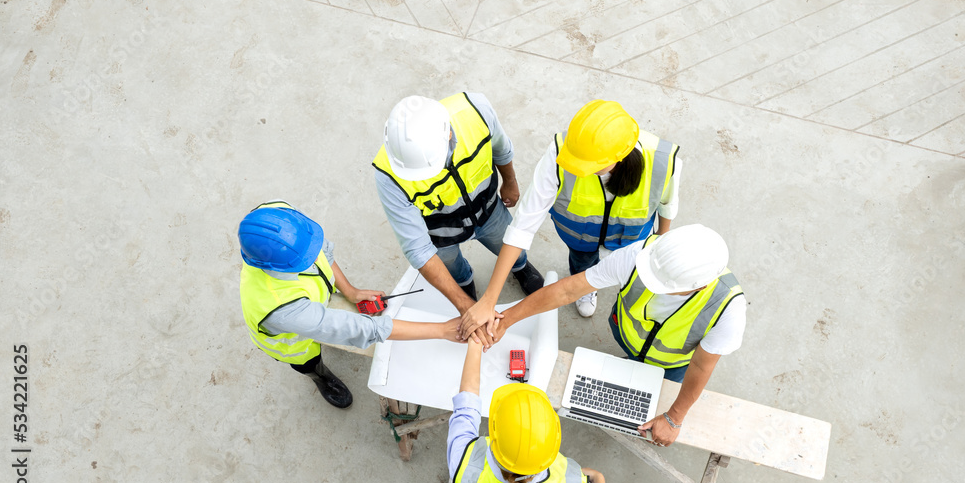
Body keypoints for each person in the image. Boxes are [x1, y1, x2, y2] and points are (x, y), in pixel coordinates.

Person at [482, 225, 745, 448]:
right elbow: (567, 291)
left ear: (698, 286)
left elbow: (701, 364)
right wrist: (508, 319)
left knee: (652, 401)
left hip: (672, 363)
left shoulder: (727, 309)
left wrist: (674, 417)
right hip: (627, 336)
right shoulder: (640, 255)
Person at [460, 99, 682, 341]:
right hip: (580, 238)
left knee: (630, 276)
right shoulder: (561, 153)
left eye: (592, 165)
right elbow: (522, 227)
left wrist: (660, 239)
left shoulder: (663, 161)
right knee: (583, 265)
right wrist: (489, 299)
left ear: (620, 155)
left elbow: (667, 203)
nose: (581, 169)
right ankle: (588, 289)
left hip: (631, 239)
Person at [239, 200, 461, 409]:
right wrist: (443, 329)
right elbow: (361, 329)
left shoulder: (279, 216)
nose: (313, 255)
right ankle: (320, 375)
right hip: (293, 343)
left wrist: (349, 291)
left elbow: (323, 251)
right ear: (277, 267)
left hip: (311, 301)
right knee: (307, 361)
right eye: (304, 259)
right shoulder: (281, 308)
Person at [372, 93, 545, 328]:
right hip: (439, 232)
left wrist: (510, 182)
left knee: (507, 242)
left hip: (489, 210)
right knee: (451, 267)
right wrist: (465, 305)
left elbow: (501, 149)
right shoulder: (388, 173)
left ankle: (520, 266)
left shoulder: (476, 112)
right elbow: (419, 249)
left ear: (449, 135)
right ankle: (465, 282)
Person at [446, 340, 617, 483]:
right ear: (553, 441)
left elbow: (465, 409)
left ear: (494, 431)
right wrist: (598, 479)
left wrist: (474, 344)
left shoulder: (465, 465)